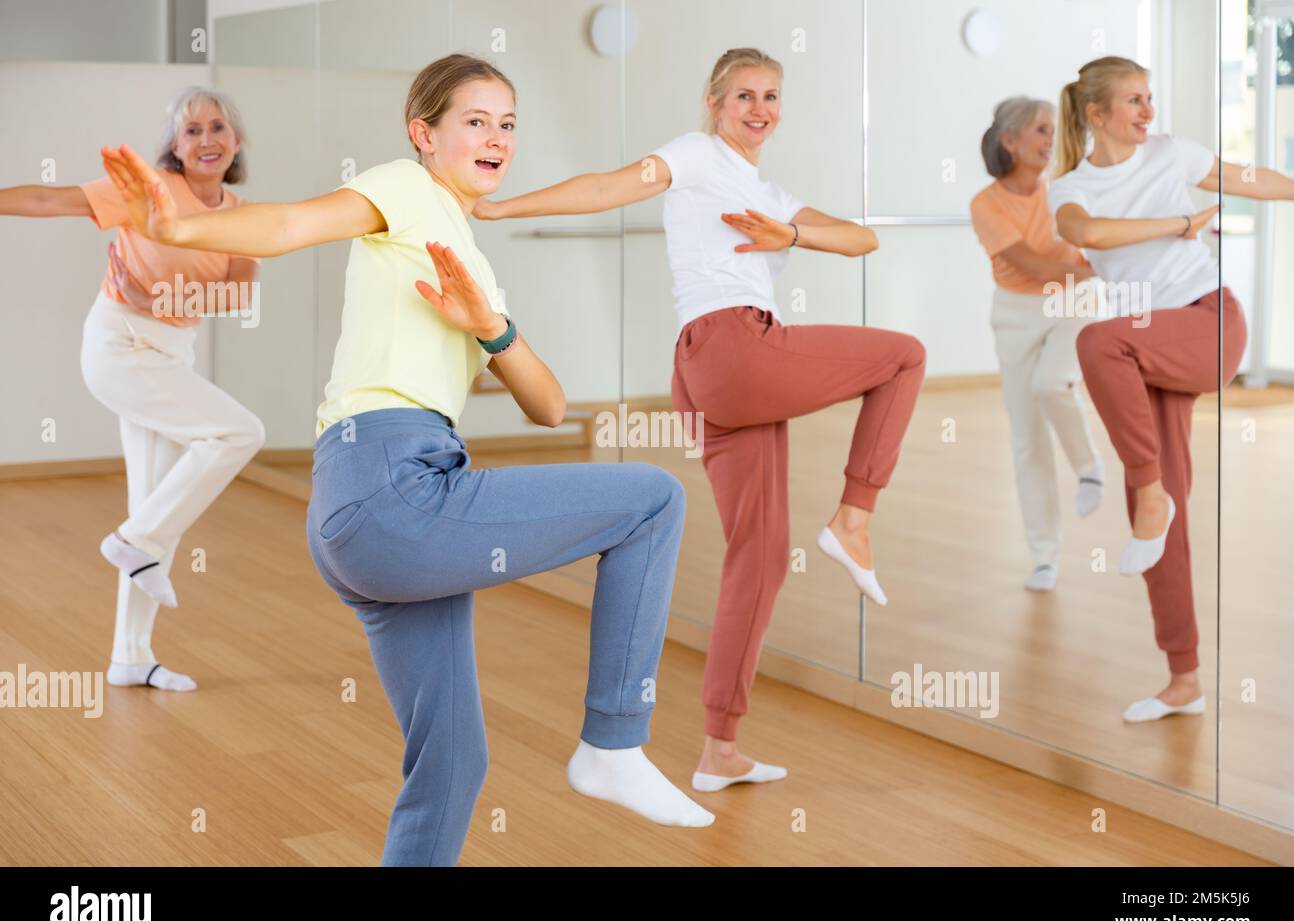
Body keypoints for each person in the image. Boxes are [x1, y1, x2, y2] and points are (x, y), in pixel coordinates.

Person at [100, 53, 714, 865]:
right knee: (654, 499)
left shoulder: (470, 259)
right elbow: (289, 226)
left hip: (377, 513)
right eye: (475, 120)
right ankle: (613, 743)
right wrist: (178, 227)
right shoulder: (404, 187)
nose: (497, 137)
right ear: (424, 135)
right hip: (389, 487)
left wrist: (486, 323)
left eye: (508, 123)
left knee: (453, 763)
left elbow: (550, 406)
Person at [473, 48, 925, 791]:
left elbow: (862, 237)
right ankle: (853, 519)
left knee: (763, 553)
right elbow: (604, 187)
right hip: (735, 350)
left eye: (772, 96)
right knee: (905, 356)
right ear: (715, 103)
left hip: (711, 377)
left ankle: (719, 748)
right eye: (743, 95)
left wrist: (793, 235)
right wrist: (502, 206)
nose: (759, 109)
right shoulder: (694, 155)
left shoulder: (769, 192)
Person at [1049, 55, 1294, 721]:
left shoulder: (1172, 155)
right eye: (1133, 101)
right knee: (1155, 508)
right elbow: (1091, 234)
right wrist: (1178, 224)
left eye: (1149, 99)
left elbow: (1247, 178)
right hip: (1147, 344)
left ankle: (1149, 488)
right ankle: (1183, 678)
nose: (1147, 112)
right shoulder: (1069, 189)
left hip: (1208, 323)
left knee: (1096, 339)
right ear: (1096, 114)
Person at [0, 85, 264, 692]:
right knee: (241, 432)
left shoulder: (244, 217)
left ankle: (131, 655)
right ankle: (131, 541)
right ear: (174, 145)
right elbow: (47, 198)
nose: (205, 140)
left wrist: (166, 295)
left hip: (171, 354)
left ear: (236, 142)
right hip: (118, 346)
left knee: (154, 500)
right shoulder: (146, 189)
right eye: (191, 130)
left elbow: (238, 298)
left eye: (217, 127)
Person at [970, 96, 1107, 592]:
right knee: (1027, 439)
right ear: (1011, 140)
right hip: (1016, 314)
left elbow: (1086, 243)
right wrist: (1100, 267)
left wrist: (1100, 267)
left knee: (1053, 383)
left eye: (1053, 131)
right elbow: (1032, 265)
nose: (1051, 141)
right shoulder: (986, 204)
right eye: (1041, 131)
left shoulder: (1062, 190)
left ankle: (1090, 466)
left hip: (1072, 301)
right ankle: (1044, 557)